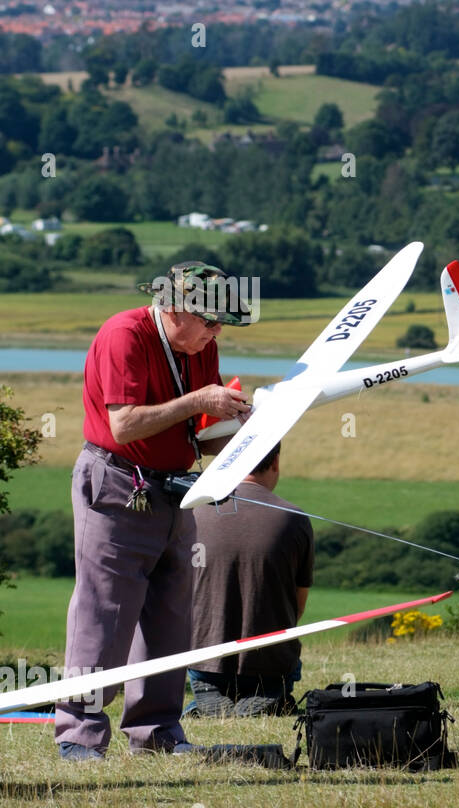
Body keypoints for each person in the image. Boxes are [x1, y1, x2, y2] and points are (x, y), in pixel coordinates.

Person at [55, 261, 254, 761]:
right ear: (173, 308)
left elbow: (201, 434)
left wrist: (250, 426)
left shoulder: (200, 346)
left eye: (221, 324)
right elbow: (123, 426)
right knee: (104, 612)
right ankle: (79, 734)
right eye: (210, 321)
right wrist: (199, 401)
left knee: (171, 615)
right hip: (117, 483)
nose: (216, 333)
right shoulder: (124, 335)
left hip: (173, 490)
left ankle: (158, 732)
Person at [186, 442, 313, 717]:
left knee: (208, 683)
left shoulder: (194, 511)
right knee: (269, 686)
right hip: (271, 662)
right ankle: (265, 697)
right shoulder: (295, 519)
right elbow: (297, 606)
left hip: (204, 658)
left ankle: (208, 697)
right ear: (275, 462)